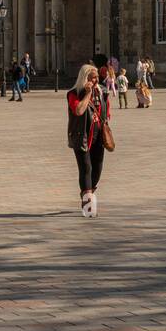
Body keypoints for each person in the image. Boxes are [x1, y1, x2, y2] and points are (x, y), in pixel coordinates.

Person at [67, 63, 110, 217]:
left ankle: (88, 192)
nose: (96, 81)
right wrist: (87, 94)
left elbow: (106, 110)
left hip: (99, 135)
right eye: (93, 79)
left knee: (97, 168)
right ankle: (88, 204)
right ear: (85, 79)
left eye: (97, 77)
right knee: (86, 168)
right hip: (81, 135)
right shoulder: (73, 93)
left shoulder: (102, 92)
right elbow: (78, 110)